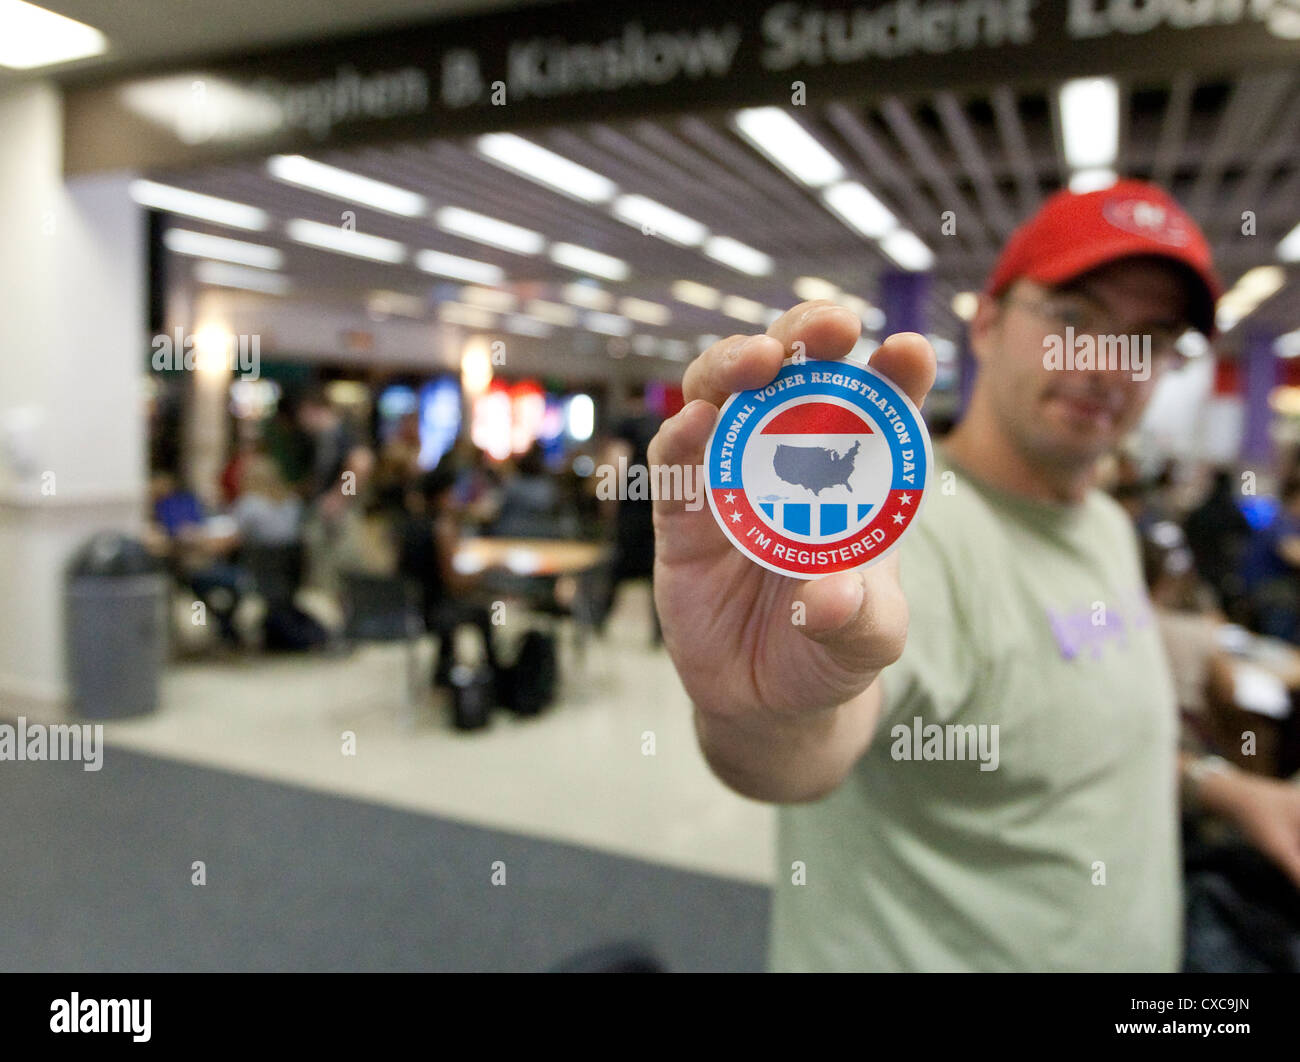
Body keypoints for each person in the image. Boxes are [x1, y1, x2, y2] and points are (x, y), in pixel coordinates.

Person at [649, 179, 1300, 972]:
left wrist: (1223, 789)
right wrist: (757, 715)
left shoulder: (1099, 522)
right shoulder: (901, 542)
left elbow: (1073, 741)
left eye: (1151, 338)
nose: (1108, 365)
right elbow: (808, 745)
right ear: (987, 323)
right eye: (1073, 318)